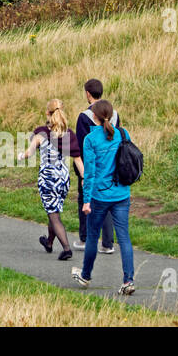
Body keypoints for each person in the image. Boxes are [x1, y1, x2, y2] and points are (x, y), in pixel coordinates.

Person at [71, 100, 136, 295]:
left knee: (92, 236)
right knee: (124, 237)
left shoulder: (90, 139)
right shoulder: (123, 134)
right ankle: (128, 280)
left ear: (95, 117)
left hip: (99, 195)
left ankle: (86, 275)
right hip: (122, 193)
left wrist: (87, 199)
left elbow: (89, 173)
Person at [18, 98, 82, 260]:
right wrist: (85, 178)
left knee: (54, 214)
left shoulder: (41, 133)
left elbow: (29, 153)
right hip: (63, 179)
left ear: (48, 112)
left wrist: (20, 156)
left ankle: (66, 248)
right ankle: (49, 242)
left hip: (48, 178)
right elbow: (78, 160)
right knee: (53, 210)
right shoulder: (69, 135)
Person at [75, 78, 118, 253]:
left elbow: (81, 146)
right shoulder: (114, 114)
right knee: (106, 202)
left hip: (90, 165)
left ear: (87, 94)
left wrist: (83, 173)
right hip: (109, 165)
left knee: (84, 201)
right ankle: (108, 243)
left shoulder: (85, 117)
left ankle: (85, 239)